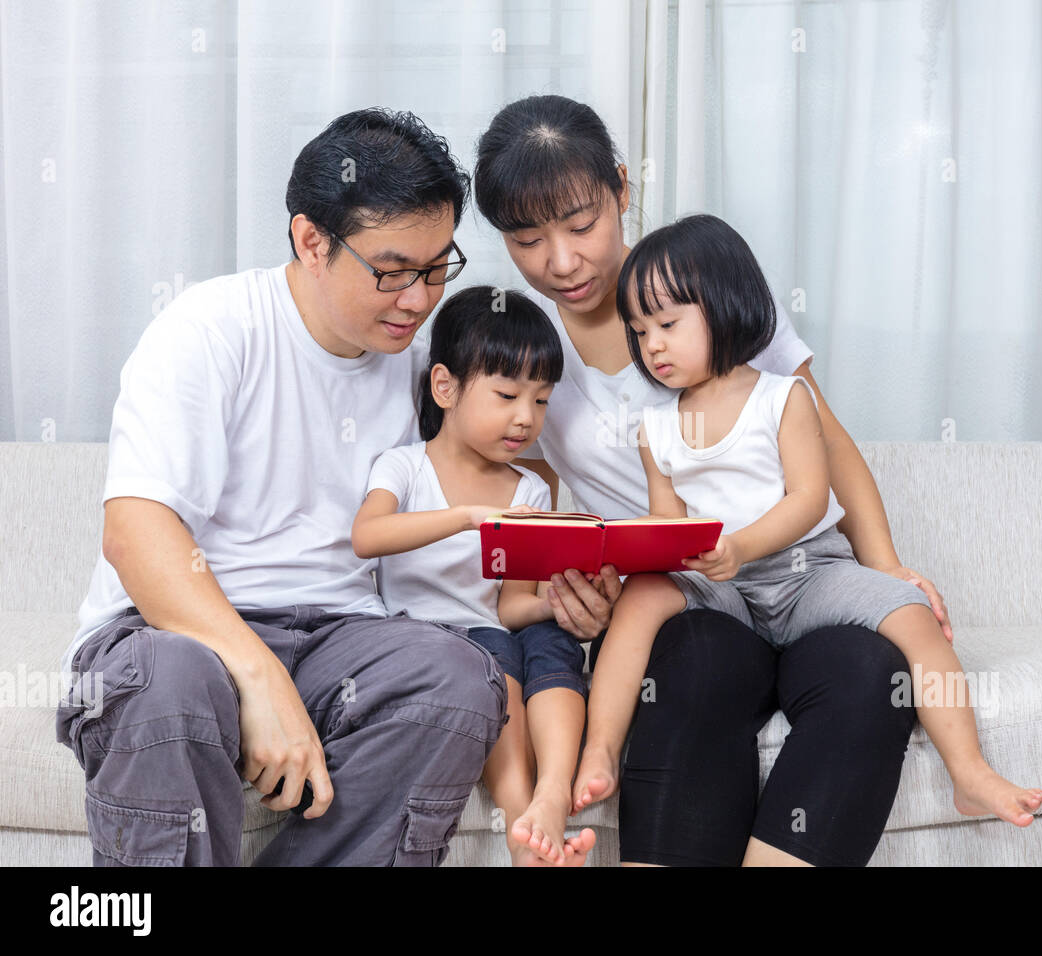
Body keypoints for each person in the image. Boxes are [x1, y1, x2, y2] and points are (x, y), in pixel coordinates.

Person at [473, 93, 954, 866]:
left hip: (794, 572)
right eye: (527, 240)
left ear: (622, 191)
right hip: (686, 597)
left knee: (869, 671)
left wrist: (886, 567)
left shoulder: (702, 293)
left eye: (582, 225)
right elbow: (528, 508)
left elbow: (826, 444)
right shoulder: (522, 353)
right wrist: (570, 594)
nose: (560, 262)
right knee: (694, 664)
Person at [54, 108, 507, 866]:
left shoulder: (425, 367)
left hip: (340, 639)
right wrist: (258, 676)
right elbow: (137, 533)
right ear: (311, 241)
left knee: (457, 678)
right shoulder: (210, 328)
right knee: (172, 680)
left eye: (438, 268)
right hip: (168, 632)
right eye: (393, 272)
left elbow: (493, 488)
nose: (419, 298)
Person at [571, 213, 1042, 828]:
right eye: (639, 333)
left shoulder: (781, 398)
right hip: (721, 586)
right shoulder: (656, 426)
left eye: (667, 324)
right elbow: (668, 522)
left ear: (725, 308)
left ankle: (970, 771)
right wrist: (624, 549)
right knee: (641, 598)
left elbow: (808, 498)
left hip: (806, 573)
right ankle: (600, 752)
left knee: (911, 610)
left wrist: (740, 545)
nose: (652, 346)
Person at [351, 285, 597, 866]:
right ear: (446, 387)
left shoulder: (530, 488)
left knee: (550, 640)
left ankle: (553, 794)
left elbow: (511, 607)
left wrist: (559, 601)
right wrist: (466, 519)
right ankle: (520, 821)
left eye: (541, 401)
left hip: (496, 628)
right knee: (492, 651)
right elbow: (368, 536)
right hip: (431, 638)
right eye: (508, 394)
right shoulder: (405, 465)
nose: (525, 417)